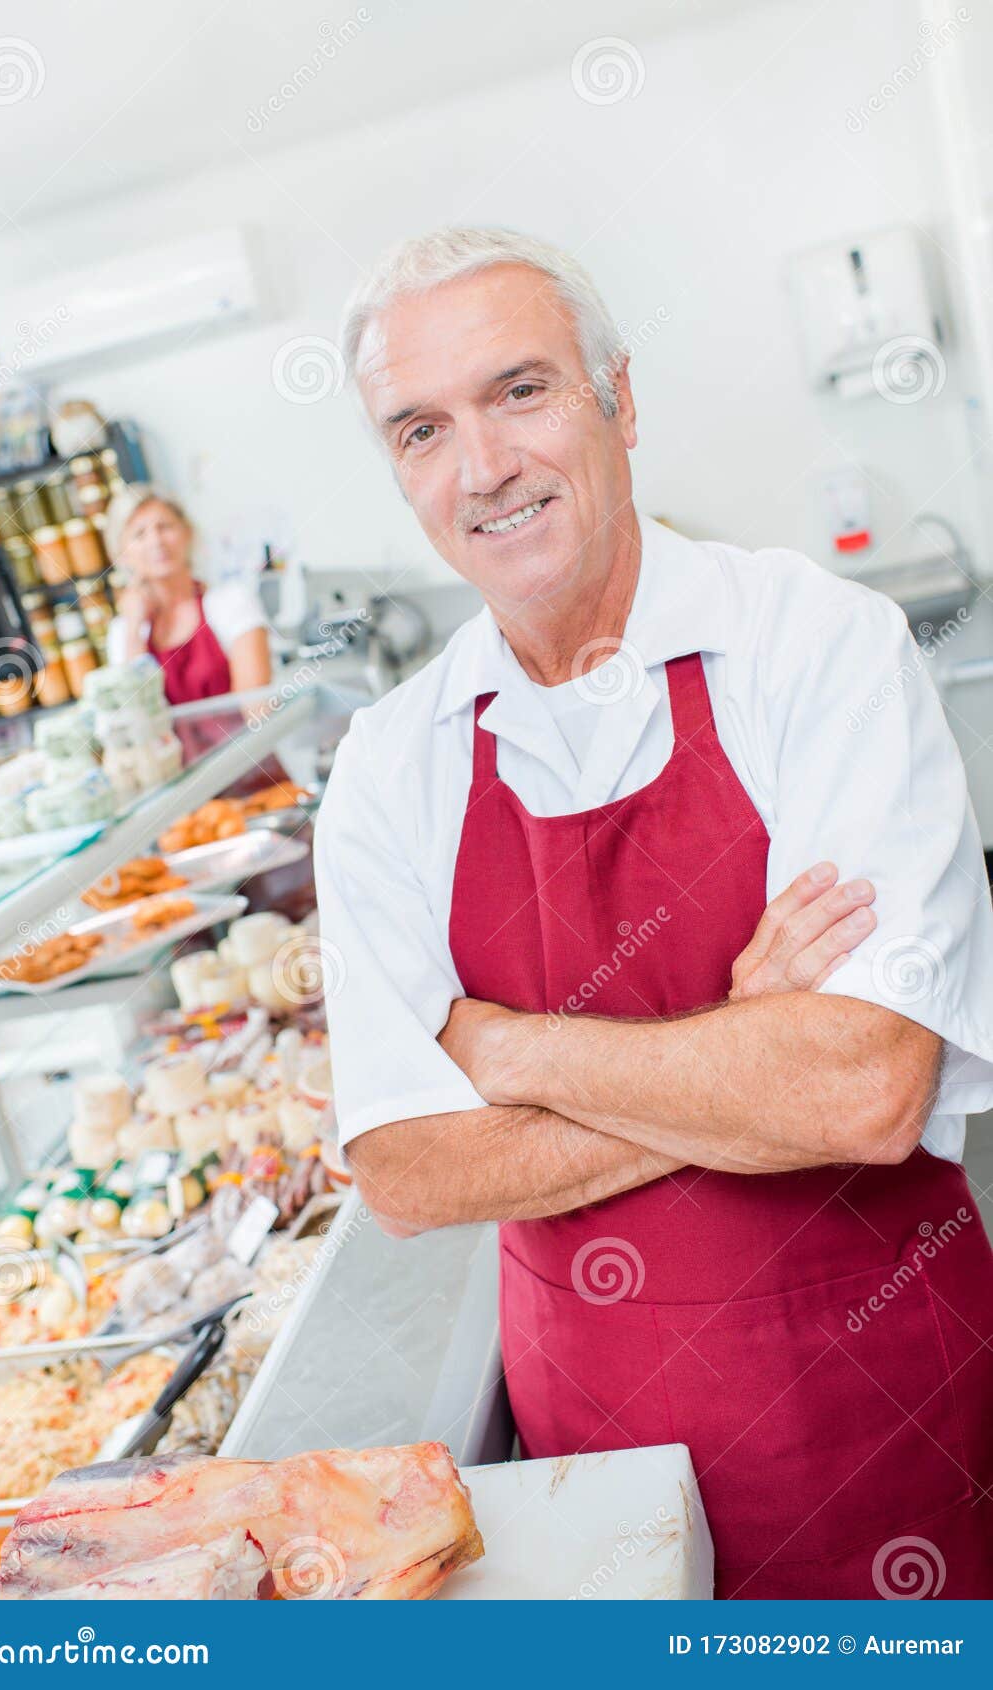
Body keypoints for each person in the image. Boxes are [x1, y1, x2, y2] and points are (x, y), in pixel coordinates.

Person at [313, 227, 993, 1598]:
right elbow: (407, 1173)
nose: (482, 466)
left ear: (619, 400)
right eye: (421, 429)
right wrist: (741, 1043)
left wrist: (506, 1048)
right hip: (591, 1474)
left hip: (880, 1425)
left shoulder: (819, 647)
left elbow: (863, 1089)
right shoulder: (390, 763)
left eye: (521, 391)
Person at [105, 486, 271, 706]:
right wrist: (133, 630)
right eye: (139, 534)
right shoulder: (123, 633)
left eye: (164, 527)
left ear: (187, 532)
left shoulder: (231, 603)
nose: (156, 541)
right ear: (122, 555)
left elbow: (257, 709)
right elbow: (134, 717)